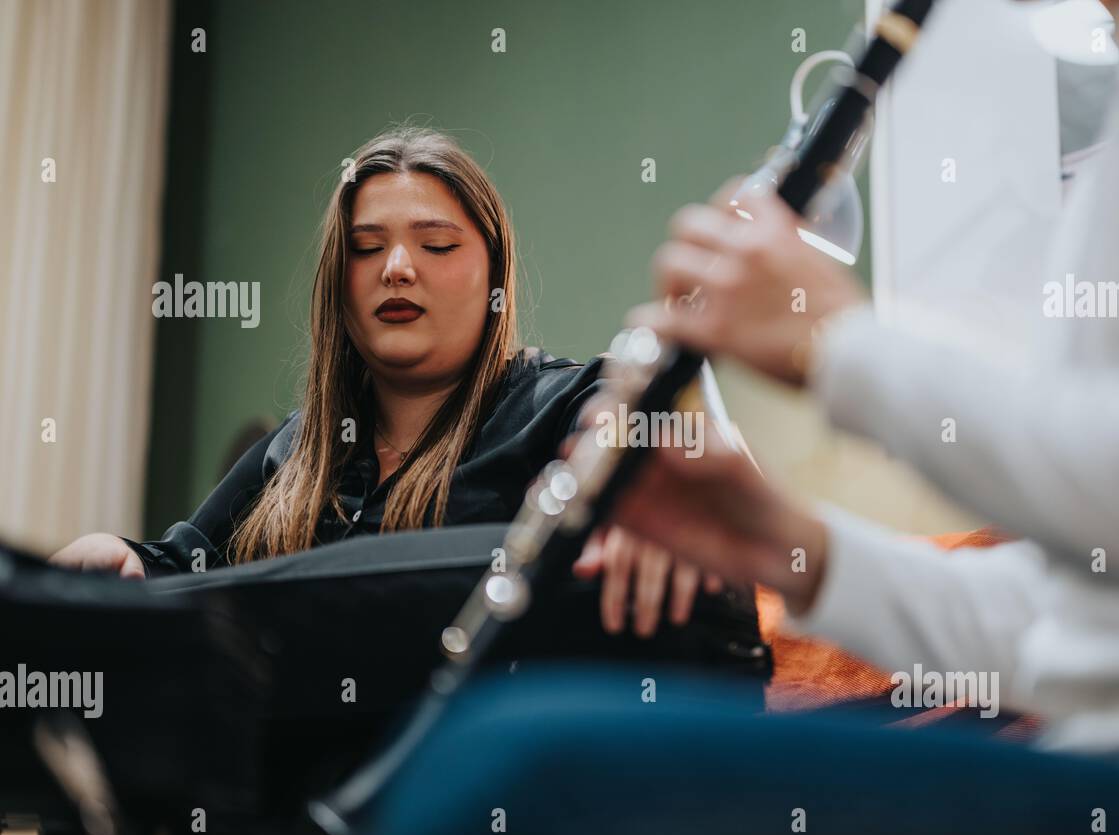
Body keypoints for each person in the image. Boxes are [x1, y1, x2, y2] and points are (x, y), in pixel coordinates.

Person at [360, 0, 1119, 835]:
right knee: (489, 761)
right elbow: (1077, 624)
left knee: (511, 780)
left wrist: (842, 349)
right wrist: (782, 542)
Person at [49, 127, 712, 637]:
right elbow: (182, 562)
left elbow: (654, 433)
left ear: (494, 282)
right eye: (366, 248)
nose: (396, 268)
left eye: (438, 245)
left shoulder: (559, 401)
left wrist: (650, 498)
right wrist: (117, 554)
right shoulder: (292, 451)